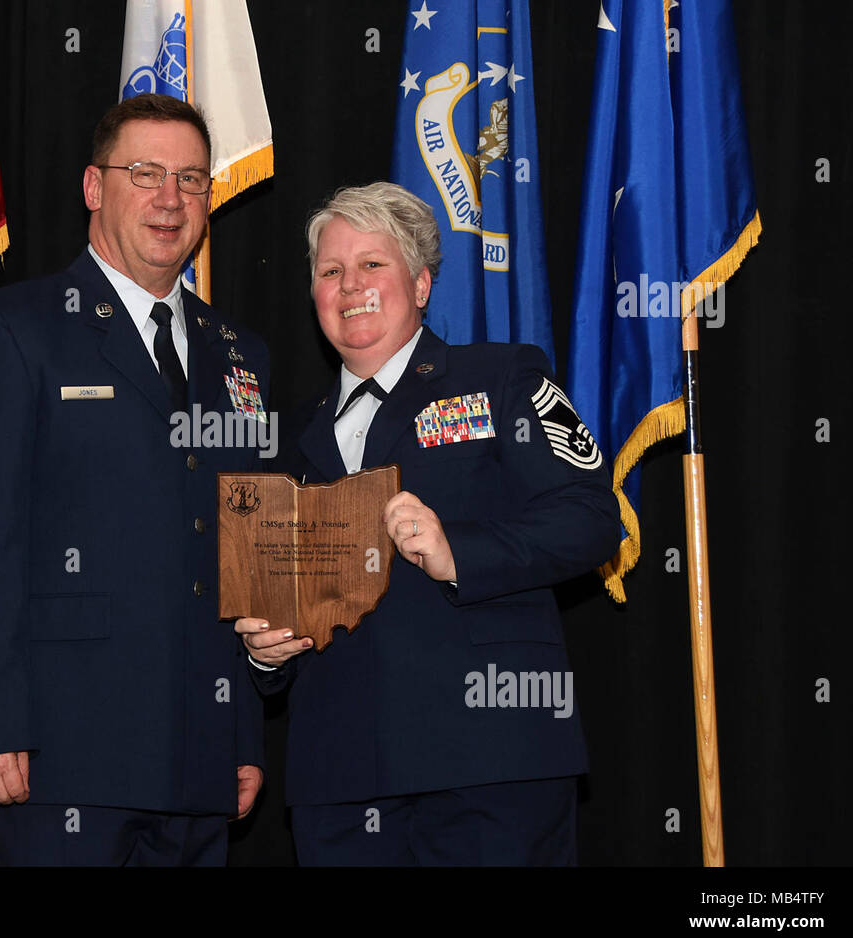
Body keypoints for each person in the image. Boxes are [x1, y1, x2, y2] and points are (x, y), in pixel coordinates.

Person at [235, 182, 621, 865]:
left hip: (491, 767)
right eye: (330, 271)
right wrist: (263, 655)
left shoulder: (503, 377)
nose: (350, 284)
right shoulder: (281, 440)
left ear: (420, 284)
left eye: (372, 265)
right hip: (340, 787)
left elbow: (593, 518)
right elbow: (271, 614)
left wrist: (458, 552)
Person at [0, 94, 269, 866]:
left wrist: (242, 730)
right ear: (92, 187)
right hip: (58, 757)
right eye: (144, 172)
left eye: (189, 178)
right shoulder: (12, 329)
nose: (169, 199)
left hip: (197, 754)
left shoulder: (240, 354)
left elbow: (242, 554)